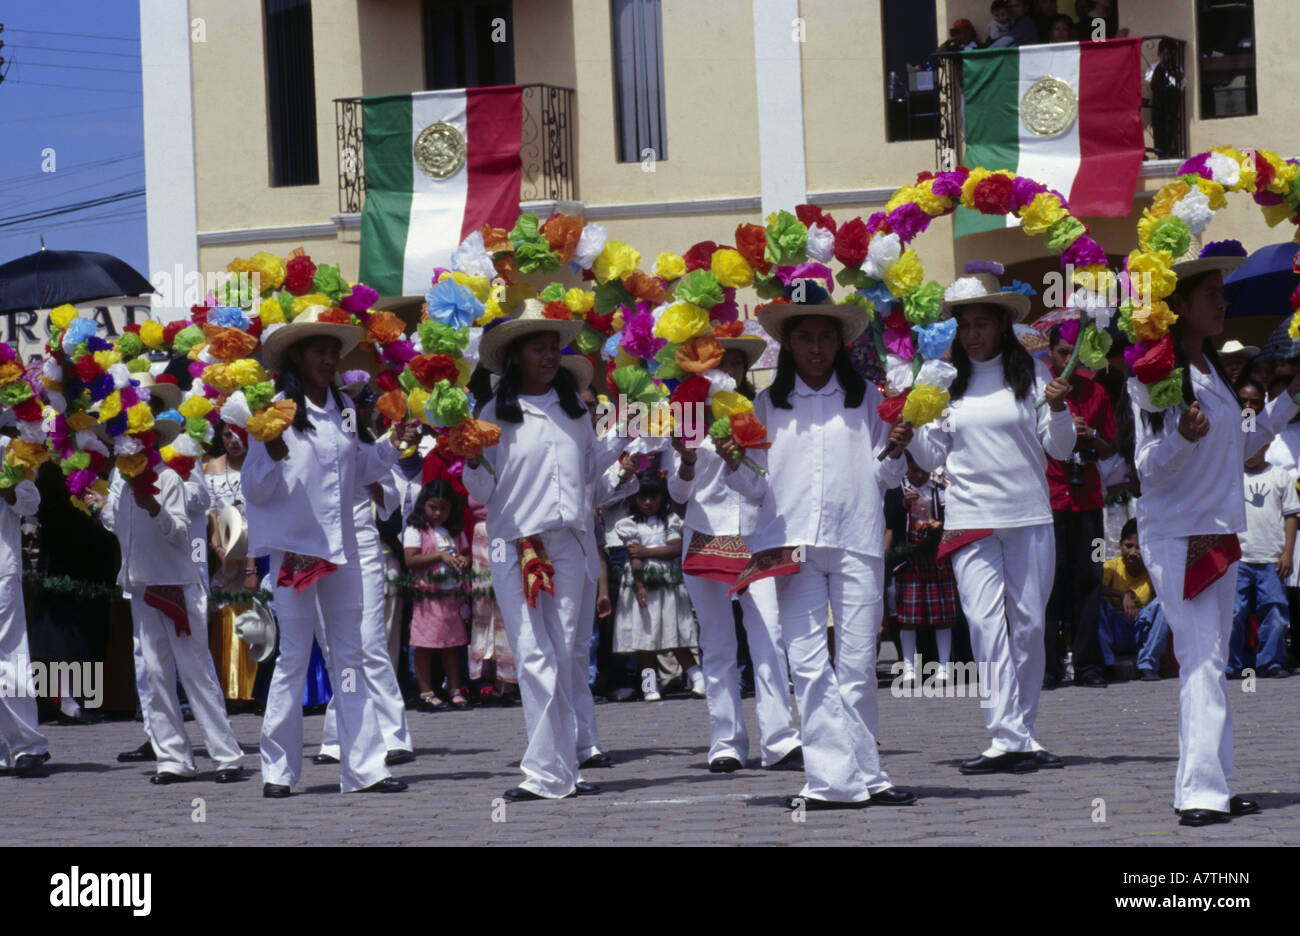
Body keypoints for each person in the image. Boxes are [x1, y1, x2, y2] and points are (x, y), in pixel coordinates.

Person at [721, 282, 916, 810]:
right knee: (806, 662)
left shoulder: (870, 400)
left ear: (839, 342)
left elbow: (887, 474)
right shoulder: (765, 404)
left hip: (856, 541)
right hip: (790, 547)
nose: (814, 348)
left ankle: (866, 775)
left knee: (856, 665)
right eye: (804, 337)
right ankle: (832, 779)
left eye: (823, 338)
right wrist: (735, 462)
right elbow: (757, 487)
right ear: (788, 344)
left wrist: (898, 447)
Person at [1130, 244, 1300, 826]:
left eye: (1220, 294)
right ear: (1179, 305)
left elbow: (1241, 446)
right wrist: (1179, 437)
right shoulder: (1155, 373)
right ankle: (1200, 791)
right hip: (1179, 536)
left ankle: (1214, 783)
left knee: (1214, 658)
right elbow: (1147, 466)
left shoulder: (1214, 375)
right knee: (1201, 660)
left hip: (1218, 531)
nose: (1222, 302)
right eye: (1210, 296)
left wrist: (1287, 403)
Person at [243, 306, 419, 797]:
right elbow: (253, 490)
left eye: (332, 350)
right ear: (296, 356)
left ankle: (364, 768)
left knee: (351, 656)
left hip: (343, 552)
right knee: (294, 656)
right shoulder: (274, 411)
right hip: (295, 553)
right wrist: (274, 456)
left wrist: (392, 445)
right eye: (317, 350)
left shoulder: (342, 406)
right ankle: (277, 771)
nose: (327, 358)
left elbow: (359, 469)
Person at [909, 269, 1075, 775]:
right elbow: (928, 454)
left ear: (1002, 325)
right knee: (984, 624)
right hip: (969, 517)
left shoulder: (1032, 374)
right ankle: (1003, 735)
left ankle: (1022, 731)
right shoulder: (942, 380)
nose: (974, 333)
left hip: (1028, 514)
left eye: (983, 323)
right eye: (965, 325)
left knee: (1028, 626)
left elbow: (1060, 448)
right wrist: (917, 412)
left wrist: (1062, 410)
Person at [462, 299, 625, 801]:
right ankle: (543, 772)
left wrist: (627, 437)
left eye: (555, 347)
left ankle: (566, 767)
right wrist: (470, 458)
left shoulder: (575, 409)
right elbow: (481, 492)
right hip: (521, 546)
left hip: (572, 543)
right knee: (534, 656)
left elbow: (587, 469)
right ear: (516, 357)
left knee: (567, 652)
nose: (550, 356)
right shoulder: (494, 415)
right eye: (540, 347)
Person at [85, 419, 246, 785]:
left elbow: (179, 533)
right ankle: (172, 757)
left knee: (194, 670)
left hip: (175, 585)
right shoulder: (119, 480)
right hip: (141, 586)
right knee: (153, 674)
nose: (127, 447)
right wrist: (98, 506)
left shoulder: (168, 478)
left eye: (134, 440)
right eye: (123, 441)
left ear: (149, 442)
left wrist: (154, 508)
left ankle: (226, 755)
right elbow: (118, 524)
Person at [668, 332, 801, 773]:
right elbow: (678, 492)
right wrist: (687, 461)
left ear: (745, 370)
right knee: (718, 643)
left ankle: (781, 739)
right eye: (717, 365)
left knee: (769, 637)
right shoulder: (687, 413)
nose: (725, 373)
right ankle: (725, 741)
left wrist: (734, 459)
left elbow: (765, 486)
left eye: (734, 365)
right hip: (705, 535)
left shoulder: (756, 412)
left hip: (756, 538)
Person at [312, 383, 415, 767]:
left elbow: (390, 502)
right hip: (320, 546)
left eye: (365, 403)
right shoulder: (313, 435)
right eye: (353, 402)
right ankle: (339, 736)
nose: (359, 409)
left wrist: (371, 473)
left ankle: (393, 735)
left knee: (370, 642)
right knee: (334, 650)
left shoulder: (370, 445)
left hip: (363, 546)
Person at [1043, 322, 1117, 689]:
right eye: (1062, 352)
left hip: (1088, 500)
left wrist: (1092, 436)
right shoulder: (1038, 393)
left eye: (1075, 352)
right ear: (1049, 354)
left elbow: (1112, 447)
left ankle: (1089, 665)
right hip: (1050, 499)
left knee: (1089, 581)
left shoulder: (1096, 391)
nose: (1069, 360)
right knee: (1048, 584)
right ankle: (1048, 667)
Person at [613, 471, 702, 702]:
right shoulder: (629, 525)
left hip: (668, 583)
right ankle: (649, 686)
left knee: (673, 632)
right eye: (642, 497)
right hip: (643, 583)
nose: (648, 502)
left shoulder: (670, 521)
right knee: (645, 637)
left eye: (653, 497)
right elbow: (635, 557)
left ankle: (698, 678)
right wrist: (640, 585)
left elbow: (675, 548)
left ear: (662, 497)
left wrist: (647, 551)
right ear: (634, 499)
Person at [0, 436, 49, 778]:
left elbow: (31, 503)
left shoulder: (7, 447)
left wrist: (10, 491)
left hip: (0, 569)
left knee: (9, 656)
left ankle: (27, 746)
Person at [204, 422, 262, 705]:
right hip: (226, 545)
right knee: (225, 607)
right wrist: (216, 544)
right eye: (228, 435)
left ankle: (251, 686)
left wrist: (251, 558)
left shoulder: (257, 464)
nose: (234, 440)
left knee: (252, 606)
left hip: (257, 543)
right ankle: (226, 686)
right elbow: (213, 512)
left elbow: (260, 511)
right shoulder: (212, 467)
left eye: (240, 435)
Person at [1231, 439, 1298, 678]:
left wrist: (1287, 553)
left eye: (1255, 446)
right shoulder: (1232, 476)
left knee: (1276, 613)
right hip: (1239, 558)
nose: (1249, 453)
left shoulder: (1280, 476)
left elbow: (1292, 516)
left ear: (1267, 445)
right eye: (1244, 447)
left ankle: (1270, 662)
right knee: (1233, 613)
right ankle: (1233, 664)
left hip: (1271, 559)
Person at [403, 479, 471, 711]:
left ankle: (454, 689)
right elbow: (411, 559)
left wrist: (465, 560)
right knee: (425, 645)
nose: (438, 513)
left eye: (444, 508)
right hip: (428, 598)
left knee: (451, 645)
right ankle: (426, 691)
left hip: (451, 597)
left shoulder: (455, 532)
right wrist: (440, 556)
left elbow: (465, 554)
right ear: (424, 505)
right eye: (433, 507)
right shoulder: (416, 530)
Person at [892, 454, 960, 685]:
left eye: (921, 468)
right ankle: (909, 668)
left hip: (935, 557)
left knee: (941, 615)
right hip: (908, 559)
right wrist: (902, 506)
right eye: (912, 468)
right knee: (908, 618)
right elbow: (888, 518)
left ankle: (944, 667)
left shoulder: (940, 489)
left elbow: (952, 517)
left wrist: (939, 527)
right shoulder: (897, 489)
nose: (917, 474)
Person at [1098, 519, 1167, 680]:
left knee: (1164, 604)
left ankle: (1148, 664)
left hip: (1139, 629)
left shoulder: (1152, 569)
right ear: (1120, 544)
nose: (1133, 553)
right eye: (1128, 546)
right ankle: (1107, 663)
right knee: (1096, 602)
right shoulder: (1112, 566)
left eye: (1139, 548)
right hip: (1116, 630)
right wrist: (1122, 595)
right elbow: (1095, 588)